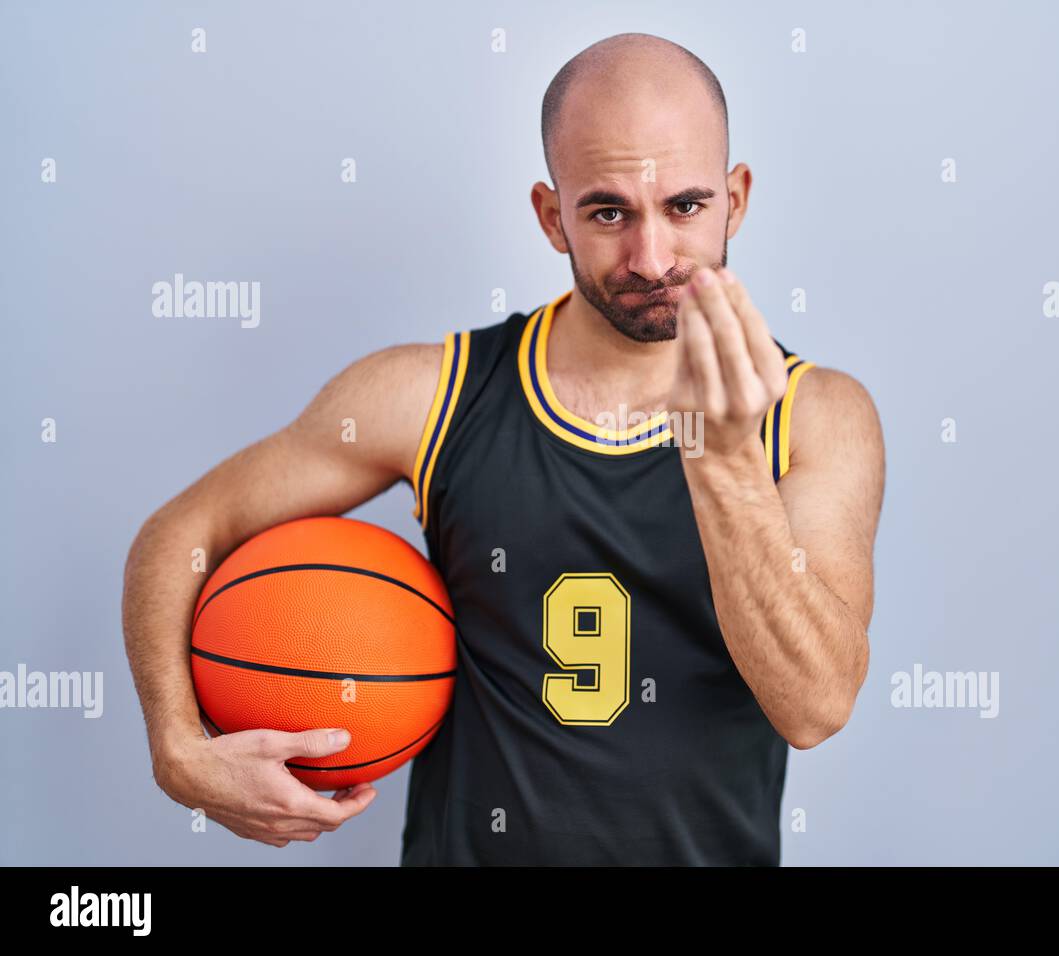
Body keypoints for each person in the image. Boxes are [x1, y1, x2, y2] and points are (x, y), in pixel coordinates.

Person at [123, 32, 885, 865]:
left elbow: (816, 705)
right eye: (608, 212)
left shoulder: (814, 415)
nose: (651, 258)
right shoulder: (435, 395)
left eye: (685, 207)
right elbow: (183, 529)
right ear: (552, 217)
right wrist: (178, 748)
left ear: (735, 199)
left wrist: (723, 459)